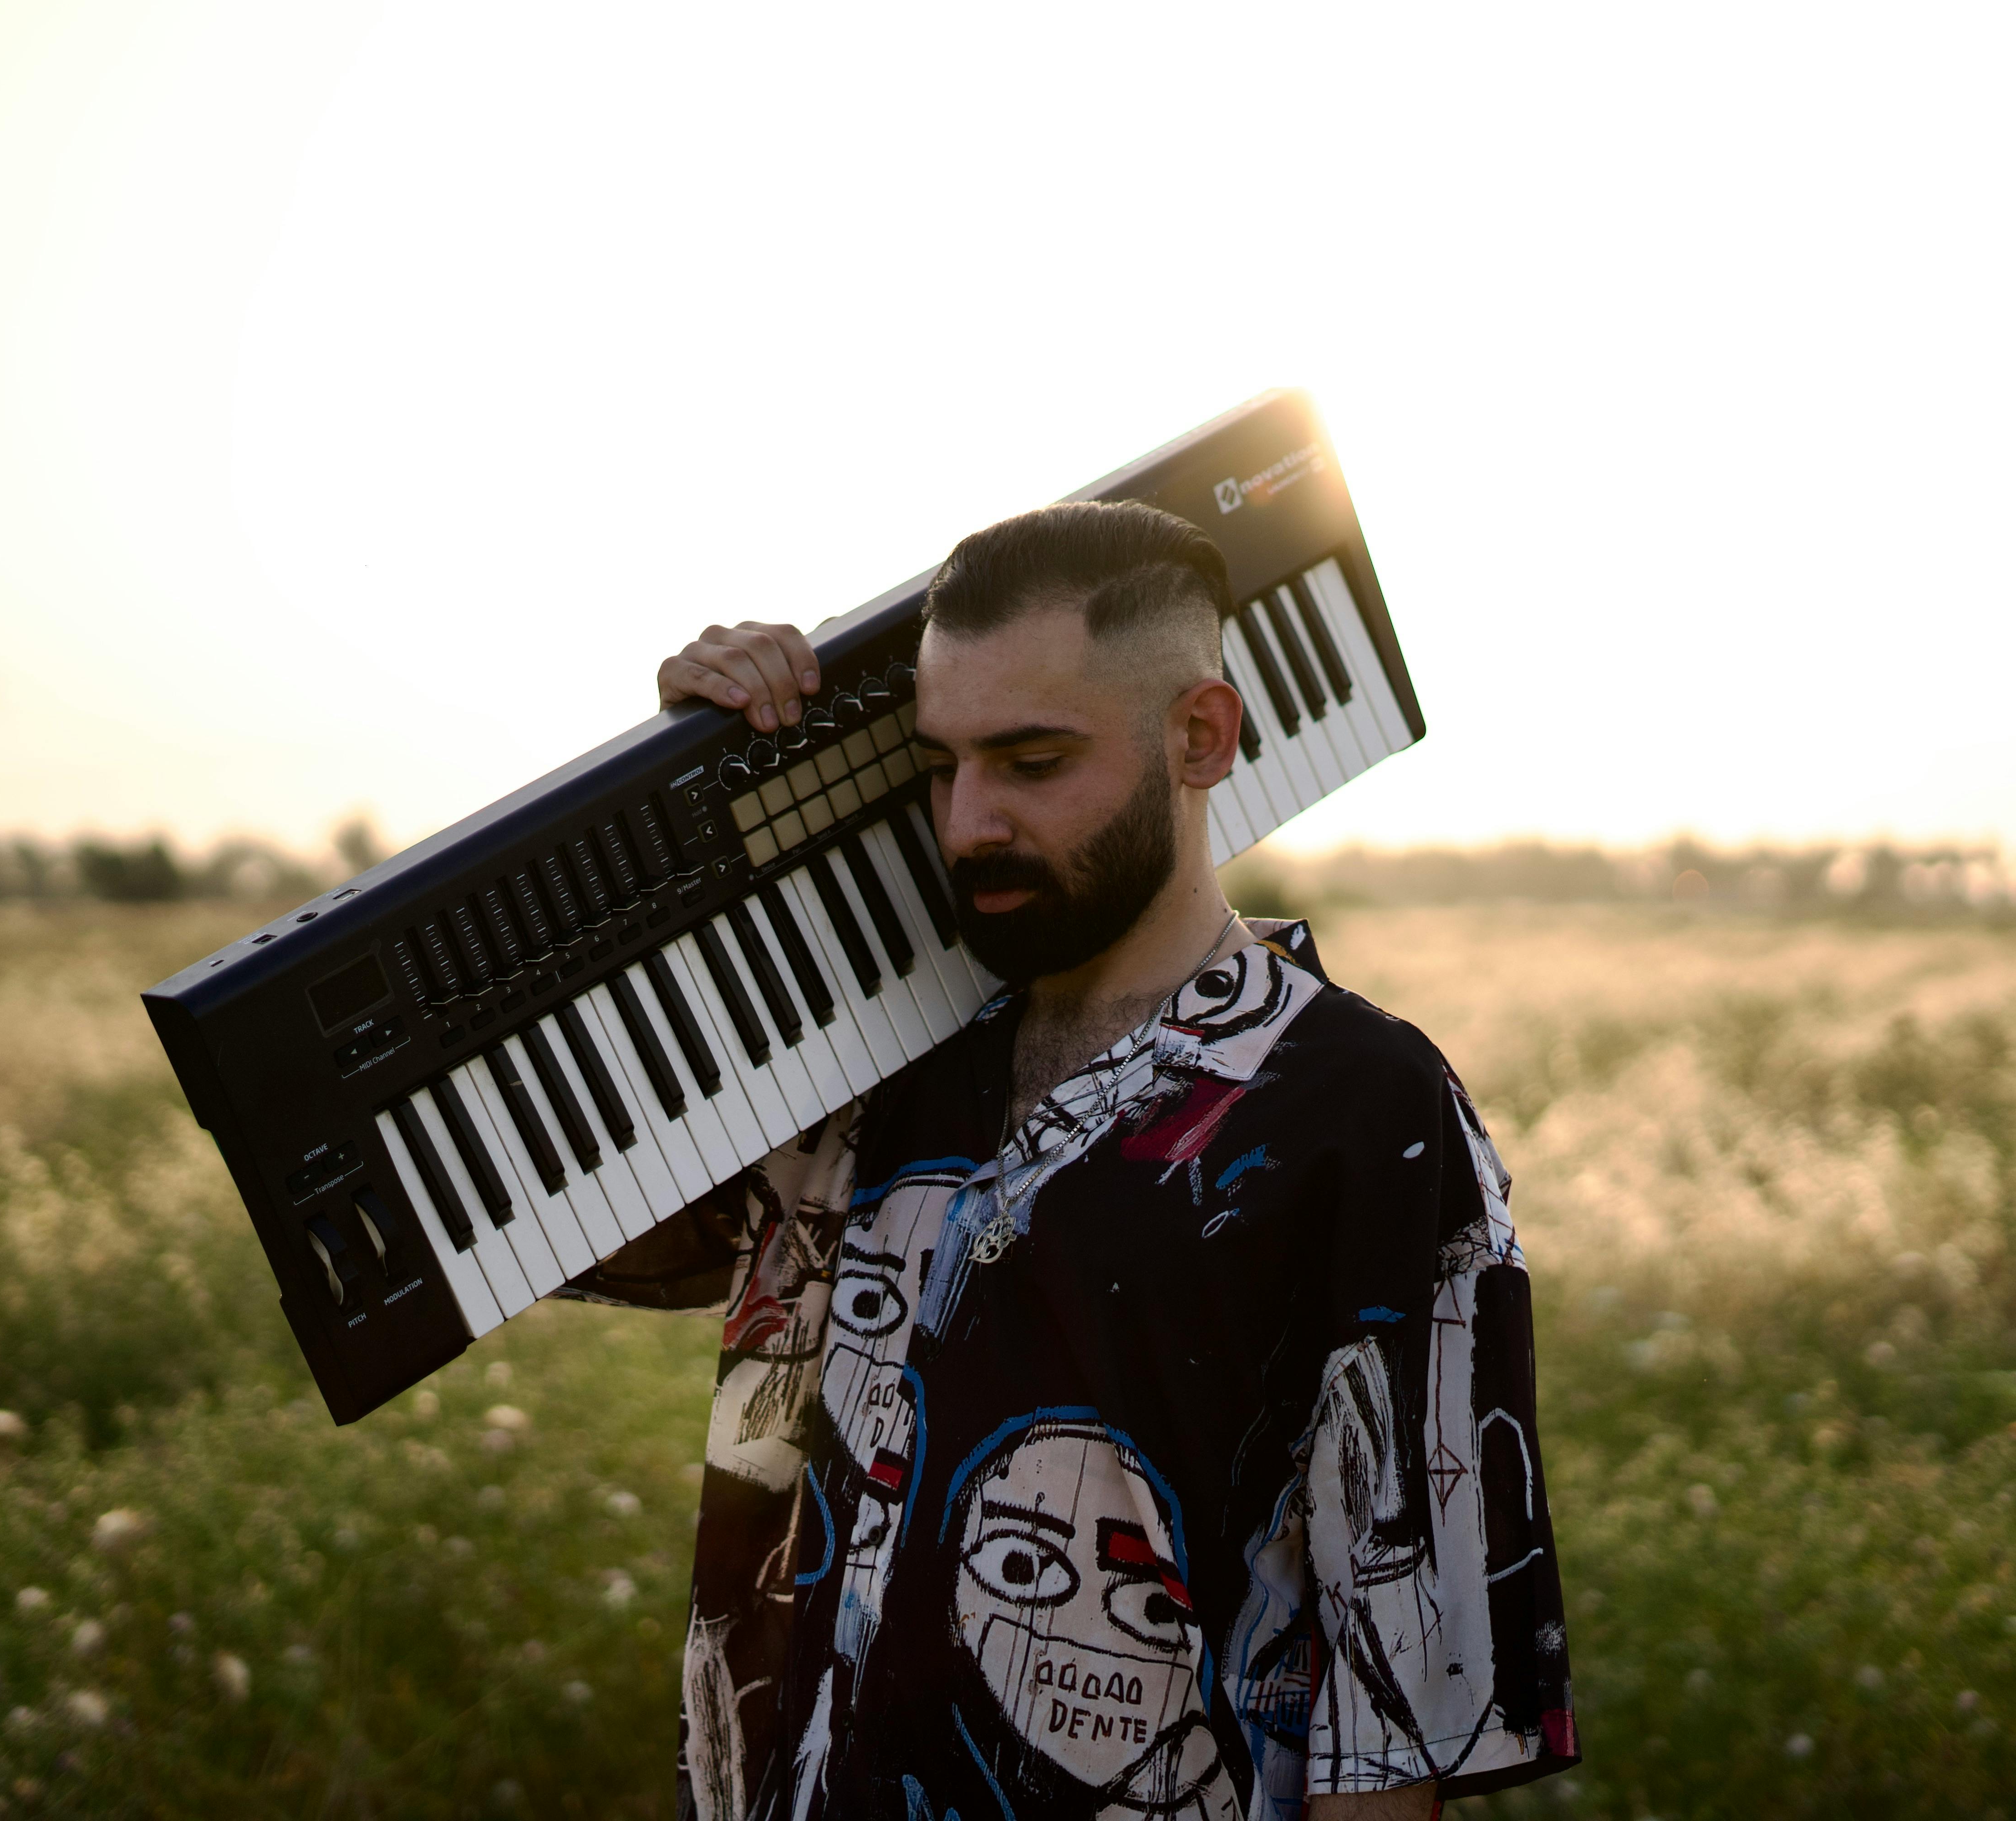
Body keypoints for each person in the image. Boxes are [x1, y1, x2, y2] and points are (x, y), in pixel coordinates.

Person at [572, 501, 1576, 1820]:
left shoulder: (1365, 1109)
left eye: (1032, 762)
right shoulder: (861, 1077)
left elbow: (1397, 1717)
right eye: (942, 767)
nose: (968, 823)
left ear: (1200, 737)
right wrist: (670, 805)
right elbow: (571, 1226)